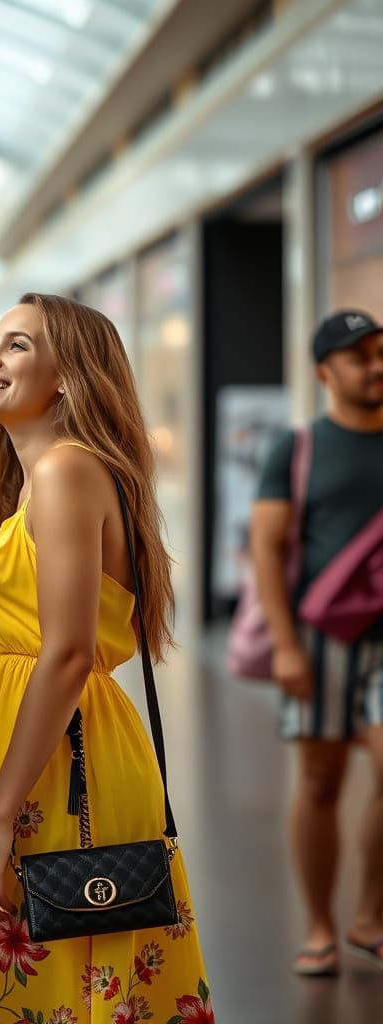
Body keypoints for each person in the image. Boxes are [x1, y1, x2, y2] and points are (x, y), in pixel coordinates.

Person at [0, 295, 213, 1022]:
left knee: (67, 974)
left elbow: (67, 655)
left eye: (17, 345)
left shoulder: (66, 471)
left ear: (68, 376)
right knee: (61, 975)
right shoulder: (40, 480)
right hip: (52, 746)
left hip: (67, 761)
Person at [250, 309, 383, 977]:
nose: (376, 366)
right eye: (360, 357)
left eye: (381, 352)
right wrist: (285, 645)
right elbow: (265, 549)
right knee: (322, 782)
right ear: (325, 373)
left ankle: (370, 916)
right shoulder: (298, 449)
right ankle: (321, 925)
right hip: (322, 638)